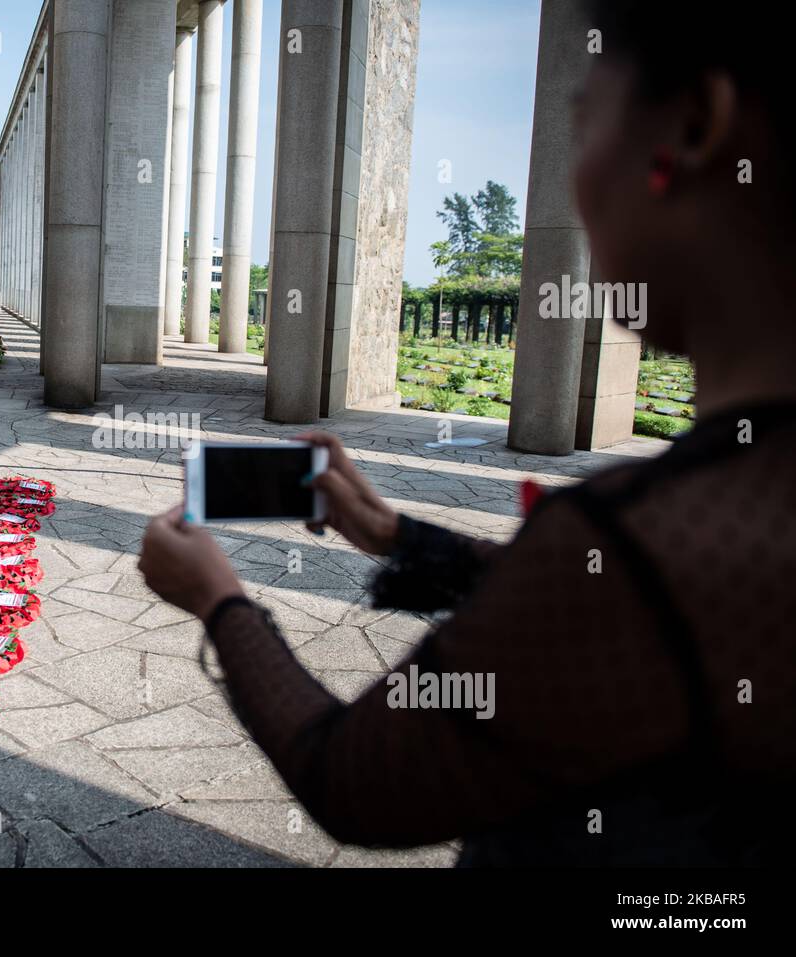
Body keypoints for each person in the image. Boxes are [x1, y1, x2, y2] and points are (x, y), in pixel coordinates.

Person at [139, 0, 795, 866]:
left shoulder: (642, 545)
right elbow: (585, 617)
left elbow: (350, 778)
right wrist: (391, 532)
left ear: (695, 125)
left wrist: (218, 599)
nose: (571, 178)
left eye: (584, 119)